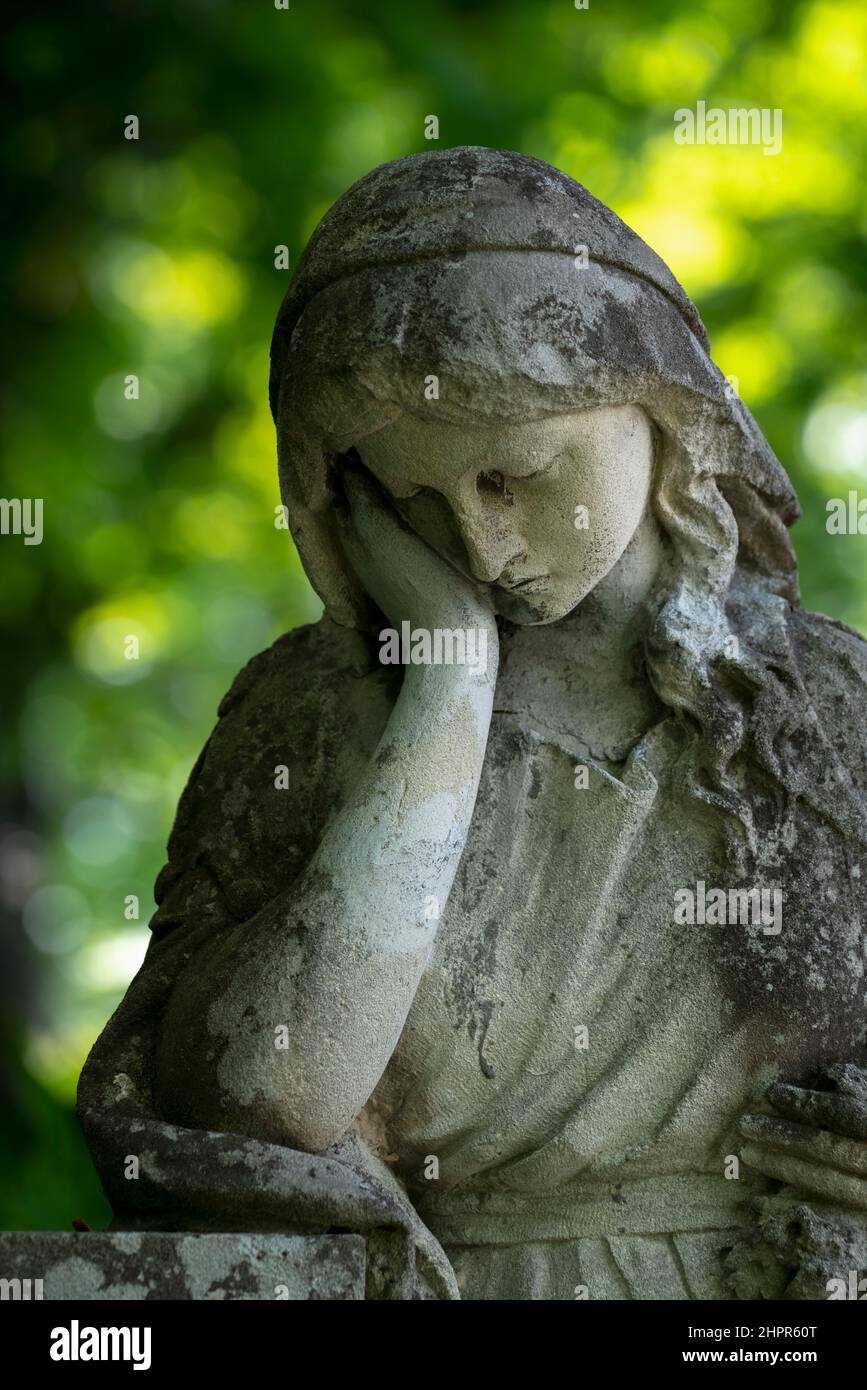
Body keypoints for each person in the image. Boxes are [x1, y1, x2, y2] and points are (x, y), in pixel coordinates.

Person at [79, 147, 867, 1300]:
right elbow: (266, 1104)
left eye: (516, 476)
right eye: (412, 498)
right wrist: (445, 688)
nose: (481, 545)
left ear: (659, 410)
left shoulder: (835, 714)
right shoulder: (311, 717)